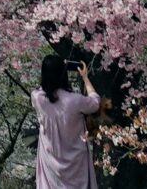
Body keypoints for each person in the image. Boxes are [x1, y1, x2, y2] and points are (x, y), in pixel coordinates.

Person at [33, 53, 109, 189]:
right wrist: (85, 77)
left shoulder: (37, 98)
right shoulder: (75, 100)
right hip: (75, 162)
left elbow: (43, 90)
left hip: (51, 159)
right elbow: (95, 102)